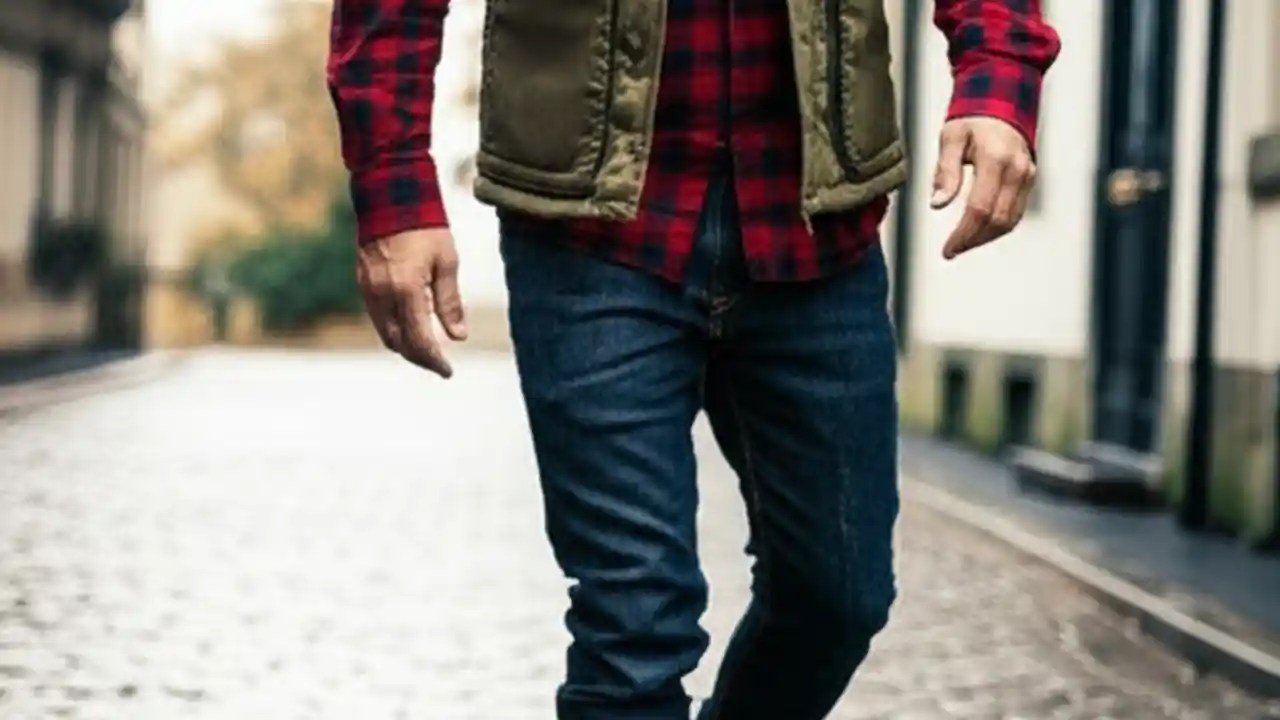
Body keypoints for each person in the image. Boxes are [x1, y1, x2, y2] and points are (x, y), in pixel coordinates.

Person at [327, 1, 1059, 717]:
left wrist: (999, 76)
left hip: (814, 223)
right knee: (634, 623)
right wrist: (393, 189)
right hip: (591, 231)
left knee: (839, 599)